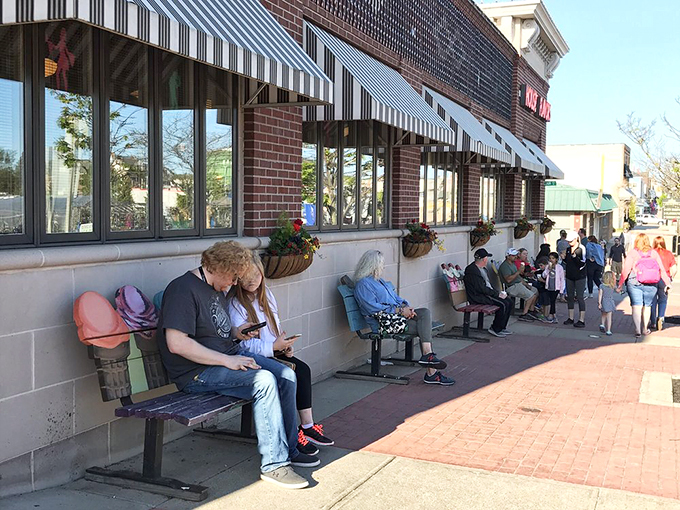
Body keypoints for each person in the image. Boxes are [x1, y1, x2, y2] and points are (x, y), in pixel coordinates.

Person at [157, 241, 315, 489]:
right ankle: (274, 465)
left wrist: (236, 332)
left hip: (225, 358)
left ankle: (290, 448)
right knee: (264, 381)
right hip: (196, 374)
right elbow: (176, 343)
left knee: (286, 374)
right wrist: (228, 360)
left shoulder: (214, 288)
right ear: (220, 268)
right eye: (233, 278)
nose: (234, 284)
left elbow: (213, 330)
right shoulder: (182, 290)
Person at [228, 252, 334, 453]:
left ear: (262, 274)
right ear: (237, 278)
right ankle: (292, 433)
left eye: (256, 276)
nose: (252, 281)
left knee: (303, 370)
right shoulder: (235, 305)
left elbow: (273, 329)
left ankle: (308, 426)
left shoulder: (266, 295)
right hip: (255, 357)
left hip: (272, 351)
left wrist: (283, 345)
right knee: (288, 377)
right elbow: (242, 346)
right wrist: (272, 348)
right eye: (246, 278)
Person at [353, 250, 454, 386]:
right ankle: (431, 370)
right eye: (381, 264)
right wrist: (400, 311)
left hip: (397, 318)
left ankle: (428, 357)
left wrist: (407, 308)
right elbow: (373, 308)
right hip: (383, 323)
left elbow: (397, 299)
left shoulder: (379, 281)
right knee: (424, 328)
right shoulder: (363, 285)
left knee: (424, 312)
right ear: (373, 265)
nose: (383, 267)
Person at [617, 233, 672, 339]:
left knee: (636, 306)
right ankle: (644, 328)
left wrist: (620, 284)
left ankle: (637, 329)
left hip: (635, 283)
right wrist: (667, 283)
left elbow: (626, 269)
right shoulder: (654, 253)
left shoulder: (633, 253)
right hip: (651, 284)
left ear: (636, 241)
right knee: (647, 306)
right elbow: (661, 269)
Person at [463, 248, 514, 338]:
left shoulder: (483, 269)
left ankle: (502, 327)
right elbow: (480, 289)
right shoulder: (472, 270)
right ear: (483, 259)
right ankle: (495, 328)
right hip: (478, 296)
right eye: (486, 258)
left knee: (509, 302)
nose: (487, 260)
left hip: (486, 294)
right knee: (503, 304)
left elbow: (487, 285)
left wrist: (498, 293)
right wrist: (497, 294)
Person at [498, 248, 540, 321]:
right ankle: (524, 314)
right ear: (508, 256)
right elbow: (508, 280)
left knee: (535, 291)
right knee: (531, 296)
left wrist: (526, 284)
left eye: (516, 255)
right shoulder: (505, 266)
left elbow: (518, 277)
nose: (515, 256)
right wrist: (518, 271)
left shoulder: (513, 264)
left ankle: (531, 310)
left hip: (518, 283)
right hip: (511, 286)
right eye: (513, 255)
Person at [650, 236, 677, 331]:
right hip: (665, 280)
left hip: (652, 279)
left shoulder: (651, 253)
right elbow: (674, 269)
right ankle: (660, 318)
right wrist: (671, 278)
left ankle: (653, 322)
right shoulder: (669, 253)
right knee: (663, 300)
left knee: (652, 301)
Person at [564, 231, 587, 328]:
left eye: (571, 241)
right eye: (568, 241)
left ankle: (581, 319)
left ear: (576, 239)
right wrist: (564, 258)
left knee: (580, 297)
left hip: (579, 276)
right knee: (570, 296)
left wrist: (575, 258)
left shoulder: (581, 248)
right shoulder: (568, 249)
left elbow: (582, 263)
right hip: (570, 275)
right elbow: (568, 262)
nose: (569, 243)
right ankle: (571, 317)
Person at [541, 252, 565, 324]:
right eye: (550, 258)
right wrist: (548, 269)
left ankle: (551, 315)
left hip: (556, 287)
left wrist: (561, 290)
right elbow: (544, 275)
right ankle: (553, 315)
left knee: (552, 301)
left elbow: (562, 279)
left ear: (556, 259)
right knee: (550, 301)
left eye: (553, 258)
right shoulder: (548, 266)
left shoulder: (559, 267)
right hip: (549, 287)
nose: (551, 260)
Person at [598, 271, 616, 336]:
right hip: (610, 301)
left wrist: (599, 303)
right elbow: (618, 290)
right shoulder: (612, 286)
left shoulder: (602, 286)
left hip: (604, 301)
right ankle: (608, 330)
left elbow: (600, 295)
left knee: (603, 314)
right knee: (609, 317)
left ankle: (602, 324)